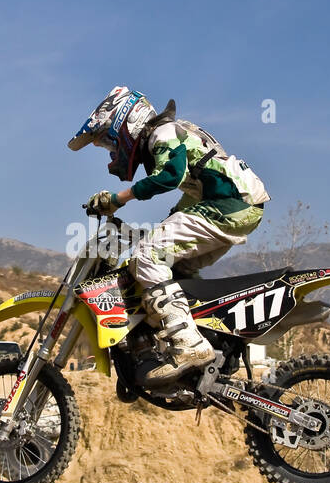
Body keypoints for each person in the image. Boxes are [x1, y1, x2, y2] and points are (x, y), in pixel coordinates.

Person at [69, 86, 268, 383]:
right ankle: (211, 339)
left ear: (128, 121)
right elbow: (194, 189)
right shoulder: (174, 133)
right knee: (170, 266)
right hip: (235, 205)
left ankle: (189, 344)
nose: (112, 150)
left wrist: (117, 199)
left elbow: (168, 177)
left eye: (110, 140)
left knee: (147, 257)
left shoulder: (163, 134)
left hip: (230, 205)